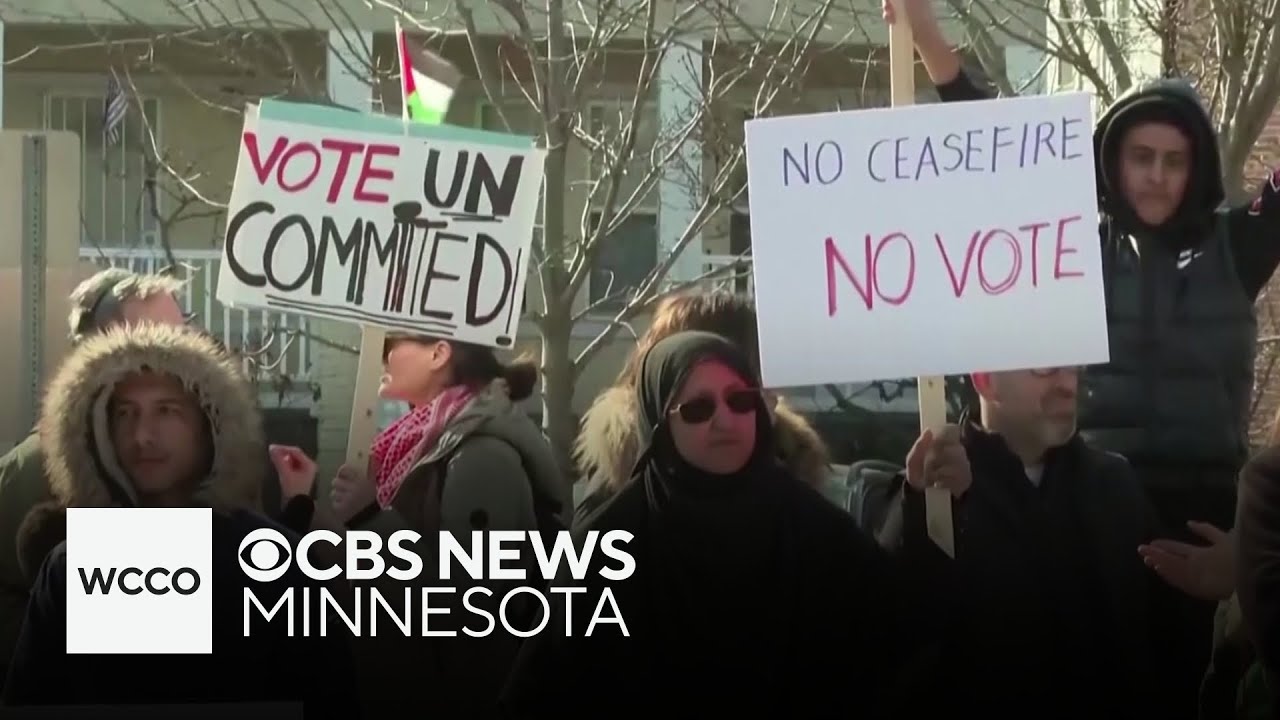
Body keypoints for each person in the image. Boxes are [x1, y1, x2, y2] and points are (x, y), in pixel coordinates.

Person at [882, 2, 1280, 709]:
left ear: (1195, 169)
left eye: (1174, 160)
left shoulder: (1236, 245)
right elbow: (990, 135)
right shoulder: (1069, 242)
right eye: (1140, 157)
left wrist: (1245, 560)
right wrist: (925, 30)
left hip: (1212, 526)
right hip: (1097, 514)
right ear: (1113, 161)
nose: (1156, 176)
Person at [502, 331, 908, 717]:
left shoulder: (817, 531)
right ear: (658, 425)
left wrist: (921, 507)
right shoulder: (606, 547)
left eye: (740, 400)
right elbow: (541, 693)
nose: (725, 420)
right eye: (698, 408)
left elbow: (894, 642)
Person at [1, 324, 359, 715]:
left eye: (167, 411)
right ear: (98, 429)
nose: (143, 435)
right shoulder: (71, 567)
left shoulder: (277, 563)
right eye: (124, 413)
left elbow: (329, 702)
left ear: (211, 425)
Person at [270, 332, 568, 718]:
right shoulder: (419, 445)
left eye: (390, 344)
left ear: (439, 354)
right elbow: (376, 592)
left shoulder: (483, 459)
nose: (380, 357)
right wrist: (308, 511)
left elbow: (468, 614)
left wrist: (370, 518)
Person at [879, 365, 1171, 717]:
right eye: (1044, 369)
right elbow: (900, 635)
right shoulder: (933, 497)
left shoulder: (1114, 484)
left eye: (1073, 366)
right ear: (986, 380)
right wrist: (925, 507)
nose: (1068, 384)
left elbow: (1162, 641)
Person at [0, 267, 185, 684]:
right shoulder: (28, 472)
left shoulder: (200, 466)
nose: (176, 358)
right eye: (150, 341)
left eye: (179, 337)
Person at [573, 292, 834, 520]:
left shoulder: (791, 459)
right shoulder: (618, 499)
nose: (763, 375)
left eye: (739, 399)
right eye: (699, 407)